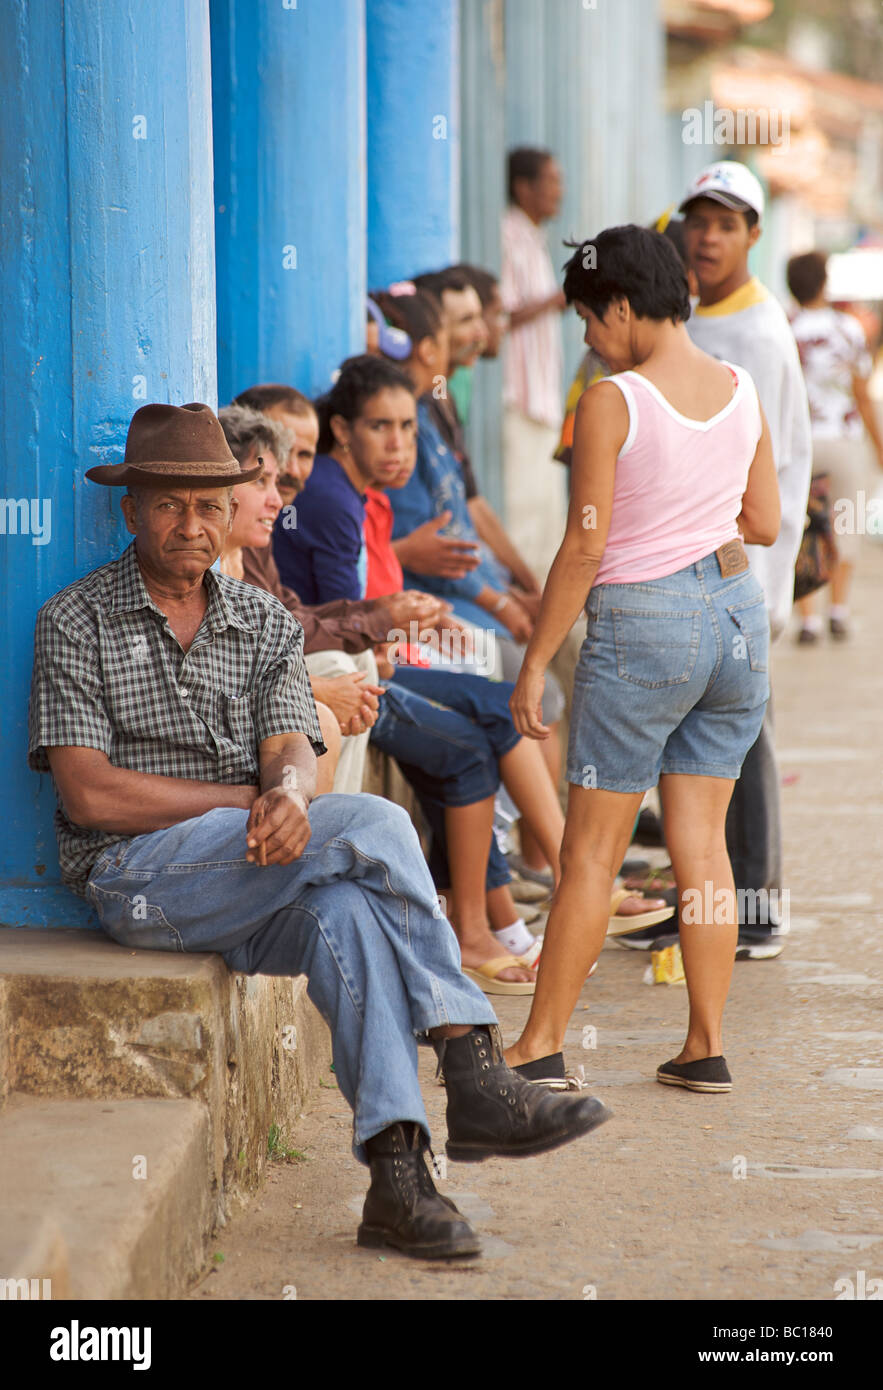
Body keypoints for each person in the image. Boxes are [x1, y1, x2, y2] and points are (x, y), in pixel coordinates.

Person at [28, 400, 610, 1261]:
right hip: (137, 880)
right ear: (132, 510)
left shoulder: (259, 621)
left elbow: (291, 749)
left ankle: (396, 1174)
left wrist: (293, 793)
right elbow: (89, 797)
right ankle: (471, 1064)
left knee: (349, 918)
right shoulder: (74, 620)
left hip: (252, 871)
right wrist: (248, 803)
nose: (192, 525)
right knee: (372, 823)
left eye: (209, 505)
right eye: (169, 505)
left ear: (230, 513)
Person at [504, 226, 779, 1095]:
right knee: (702, 843)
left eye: (589, 318)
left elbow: (582, 549)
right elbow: (765, 521)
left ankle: (538, 1045)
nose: (585, 336)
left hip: (642, 624)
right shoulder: (740, 389)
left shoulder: (610, 399)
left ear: (621, 307)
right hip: (737, 619)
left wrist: (533, 661)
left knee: (591, 851)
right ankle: (703, 1045)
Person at [680, 160, 812, 962]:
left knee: (742, 736)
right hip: (697, 564)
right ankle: (704, 903)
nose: (706, 236)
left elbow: (762, 468)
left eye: (725, 224)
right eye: (698, 220)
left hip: (742, 565)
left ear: (753, 236)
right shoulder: (697, 314)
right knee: (699, 742)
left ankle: (756, 906)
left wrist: (758, 581)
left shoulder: (756, 334)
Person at [786, 249, 883, 642]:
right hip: (842, 440)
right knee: (847, 523)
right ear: (824, 283)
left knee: (799, 529)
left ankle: (807, 619)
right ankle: (838, 611)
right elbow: (862, 394)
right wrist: (879, 445)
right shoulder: (849, 329)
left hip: (799, 443)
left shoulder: (784, 326)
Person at [500, 146, 568, 579]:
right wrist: (556, 300)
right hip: (520, 400)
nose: (559, 192)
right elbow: (503, 314)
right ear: (523, 188)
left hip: (543, 402)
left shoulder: (535, 239)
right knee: (524, 521)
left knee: (548, 526)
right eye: (551, 181)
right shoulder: (508, 235)